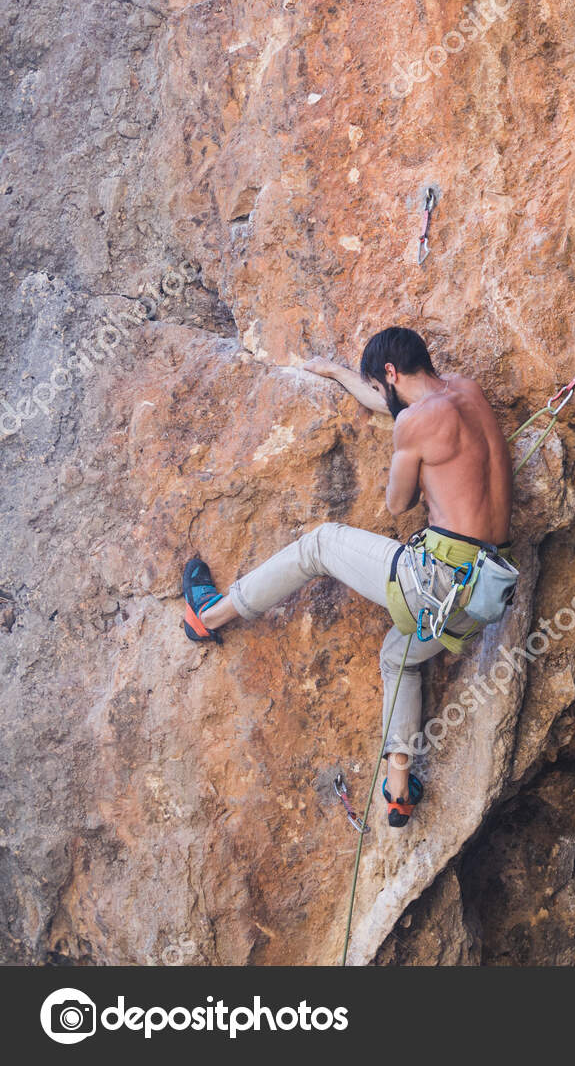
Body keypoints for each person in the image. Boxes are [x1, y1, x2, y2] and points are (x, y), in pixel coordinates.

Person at [180, 327, 514, 828]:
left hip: (434, 581)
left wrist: (416, 465)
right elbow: (402, 409)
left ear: (390, 374)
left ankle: (211, 615)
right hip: (484, 595)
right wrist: (337, 374)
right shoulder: (470, 393)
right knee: (398, 656)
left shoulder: (416, 425)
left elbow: (398, 504)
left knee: (320, 543)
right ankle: (398, 790)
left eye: (379, 386)